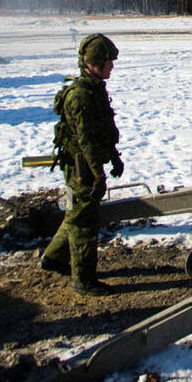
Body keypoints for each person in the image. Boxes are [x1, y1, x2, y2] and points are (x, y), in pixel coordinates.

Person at [41, 33, 124, 295]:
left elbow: (102, 129)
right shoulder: (79, 96)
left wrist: (113, 155)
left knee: (76, 213)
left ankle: (53, 258)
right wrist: (98, 175)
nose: (112, 66)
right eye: (108, 62)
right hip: (80, 166)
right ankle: (83, 279)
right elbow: (86, 140)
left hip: (88, 162)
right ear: (94, 63)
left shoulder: (95, 89)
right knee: (84, 222)